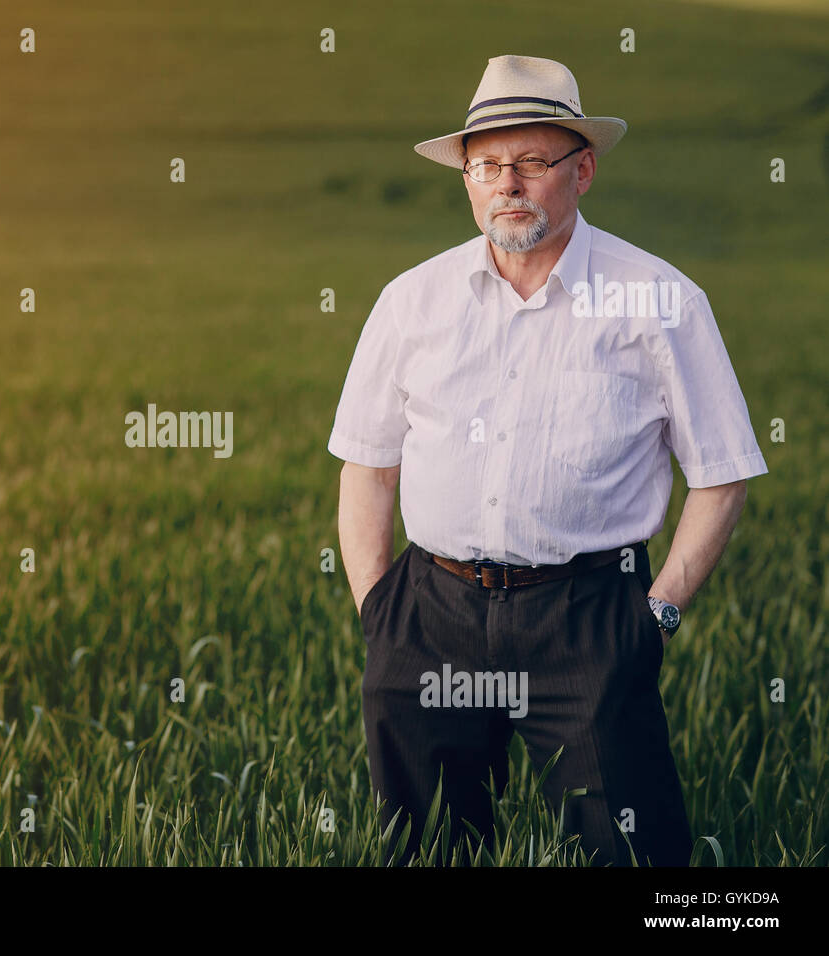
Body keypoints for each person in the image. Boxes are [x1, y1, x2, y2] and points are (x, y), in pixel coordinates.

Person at [328, 55, 768, 866]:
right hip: (430, 613)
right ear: (465, 177)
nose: (508, 183)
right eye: (487, 164)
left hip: (589, 616)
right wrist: (379, 612)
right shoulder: (410, 301)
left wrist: (657, 616)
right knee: (428, 851)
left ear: (583, 170)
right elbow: (367, 463)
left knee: (632, 854)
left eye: (532, 160)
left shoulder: (661, 300)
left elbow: (723, 473)